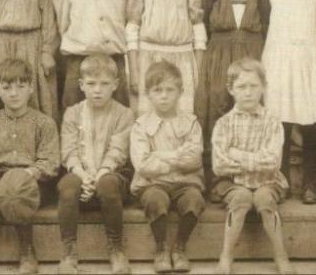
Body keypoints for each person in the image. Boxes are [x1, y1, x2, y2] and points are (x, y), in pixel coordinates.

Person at [0, 59, 60, 275]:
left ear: (30, 88)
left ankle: (27, 251)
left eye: (20, 86)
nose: (14, 93)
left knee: (18, 192)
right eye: (7, 87)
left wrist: (30, 173)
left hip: (33, 180)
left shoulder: (44, 123)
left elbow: (50, 161)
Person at [258, 0, 316, 204]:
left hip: (308, 61)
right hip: (277, 60)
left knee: (310, 123)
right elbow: (265, 28)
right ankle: (282, 180)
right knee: (281, 124)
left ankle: (310, 183)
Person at [196, 0, 271, 164]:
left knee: (251, 99)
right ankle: (217, 169)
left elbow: (268, 18)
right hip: (219, 50)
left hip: (252, 48)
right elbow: (206, 17)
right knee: (218, 99)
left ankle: (254, 165)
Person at [211, 59, 294, 275]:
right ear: (231, 89)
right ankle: (226, 257)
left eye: (254, 86)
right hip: (233, 183)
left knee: (264, 199)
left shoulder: (273, 122)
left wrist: (237, 155)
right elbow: (220, 165)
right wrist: (255, 159)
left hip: (268, 181)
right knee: (241, 198)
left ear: (264, 88)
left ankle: (281, 256)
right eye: (241, 87)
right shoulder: (224, 124)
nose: (248, 93)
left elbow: (272, 162)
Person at [57, 55, 134, 275]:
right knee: (67, 186)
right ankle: (69, 252)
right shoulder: (73, 113)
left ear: (116, 85)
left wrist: (99, 175)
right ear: (81, 85)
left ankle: (116, 249)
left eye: (104, 84)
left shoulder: (124, 114)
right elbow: (69, 151)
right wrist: (82, 176)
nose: (97, 90)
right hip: (81, 175)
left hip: (111, 176)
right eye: (91, 84)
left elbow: (118, 151)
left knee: (108, 184)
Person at [130, 61, 206, 274]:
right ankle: (161, 247)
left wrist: (161, 156)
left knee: (194, 200)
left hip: (185, 184)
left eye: (170, 90)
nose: (164, 96)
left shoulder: (191, 123)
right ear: (148, 94)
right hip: (152, 185)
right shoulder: (141, 126)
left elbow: (194, 160)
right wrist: (177, 159)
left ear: (180, 92)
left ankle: (180, 247)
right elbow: (143, 164)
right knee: (156, 199)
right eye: (157, 90)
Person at [127, 0, 205, 115]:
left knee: (182, 113)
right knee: (149, 115)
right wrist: (135, 70)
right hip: (148, 58)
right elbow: (132, 28)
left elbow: (198, 29)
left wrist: (198, 69)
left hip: (182, 59)